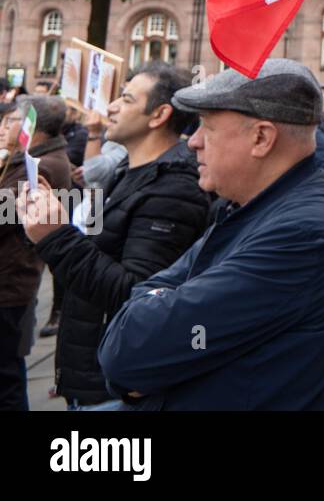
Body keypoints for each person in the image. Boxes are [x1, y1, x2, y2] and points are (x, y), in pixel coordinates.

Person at [94, 59, 324, 410]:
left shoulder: (304, 232)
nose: (194, 142)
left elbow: (127, 350)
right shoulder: (250, 206)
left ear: (262, 138)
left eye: (207, 126)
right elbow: (139, 318)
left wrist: (143, 354)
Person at [22, 63, 210, 408]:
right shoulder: (127, 171)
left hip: (116, 385)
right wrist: (50, 217)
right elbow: (91, 244)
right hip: (93, 371)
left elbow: (136, 295)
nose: (110, 107)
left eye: (125, 99)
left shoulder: (173, 188)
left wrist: (56, 236)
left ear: (159, 115)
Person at [0, 96, 75, 410]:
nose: (3, 127)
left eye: (11, 120)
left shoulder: (43, 165)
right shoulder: (32, 157)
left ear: (32, 126)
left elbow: (4, 215)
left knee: (6, 378)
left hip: (10, 282)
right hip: (12, 278)